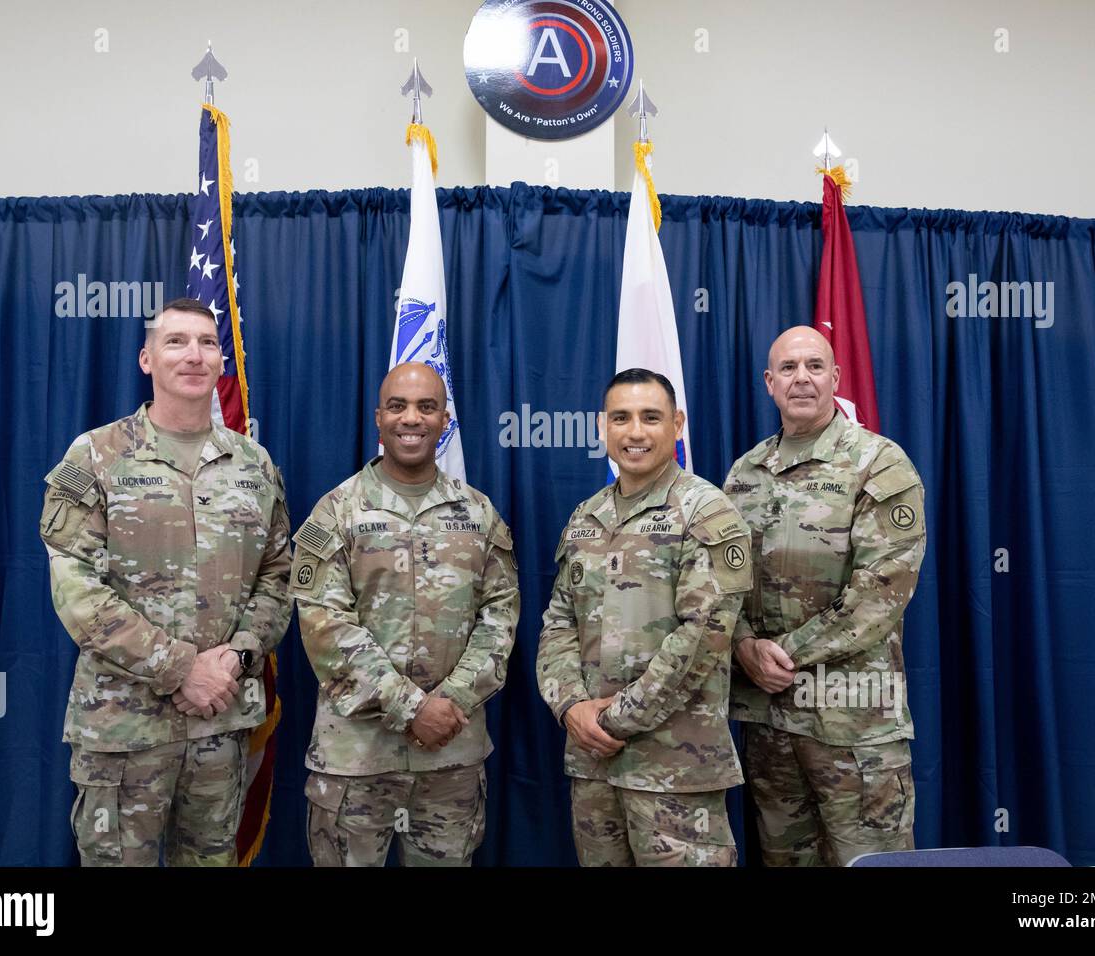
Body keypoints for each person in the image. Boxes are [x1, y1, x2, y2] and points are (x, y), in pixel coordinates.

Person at [40, 297, 293, 866]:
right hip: (123, 729)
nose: (193, 355)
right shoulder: (95, 456)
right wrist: (181, 668)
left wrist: (237, 659)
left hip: (219, 723)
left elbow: (279, 577)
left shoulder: (255, 465)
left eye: (207, 343)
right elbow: (76, 588)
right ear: (146, 359)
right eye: (175, 341)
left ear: (221, 362)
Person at [290, 362, 519, 867]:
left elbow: (500, 620)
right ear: (378, 418)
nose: (411, 418)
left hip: (451, 758)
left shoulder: (478, 515)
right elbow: (323, 625)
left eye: (426, 407)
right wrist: (413, 708)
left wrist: (450, 702)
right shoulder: (335, 512)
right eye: (397, 406)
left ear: (444, 420)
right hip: (356, 759)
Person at [723, 325, 926, 866]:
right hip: (770, 723)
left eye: (815, 366)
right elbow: (720, 583)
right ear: (769, 383)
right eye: (788, 368)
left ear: (835, 377)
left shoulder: (879, 464)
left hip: (852, 724)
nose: (802, 378)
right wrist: (743, 646)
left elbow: (882, 592)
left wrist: (781, 655)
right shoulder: (744, 474)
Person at [537, 368, 752, 866]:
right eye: (622, 418)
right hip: (593, 765)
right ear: (602, 427)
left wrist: (613, 719)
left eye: (651, 417)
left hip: (676, 769)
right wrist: (570, 706)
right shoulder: (585, 518)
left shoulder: (706, 513)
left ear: (677, 424)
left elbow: (703, 635)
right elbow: (559, 622)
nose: (635, 431)